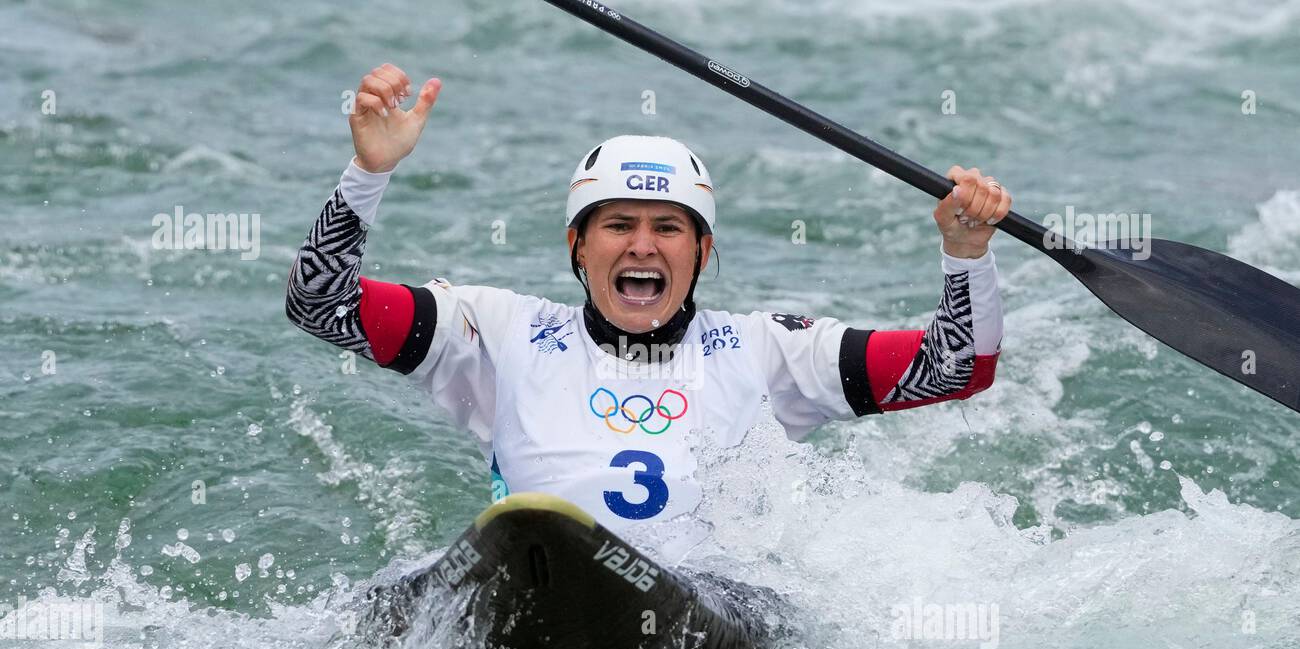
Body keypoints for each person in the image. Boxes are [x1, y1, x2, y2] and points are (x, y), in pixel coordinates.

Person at [286, 65, 1009, 548]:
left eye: (667, 227)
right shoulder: (497, 331)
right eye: (617, 225)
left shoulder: (765, 349)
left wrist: (965, 254)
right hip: (540, 568)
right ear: (577, 244)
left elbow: (954, 369)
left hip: (708, 607)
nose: (642, 246)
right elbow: (320, 303)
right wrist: (368, 174)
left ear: (701, 251)